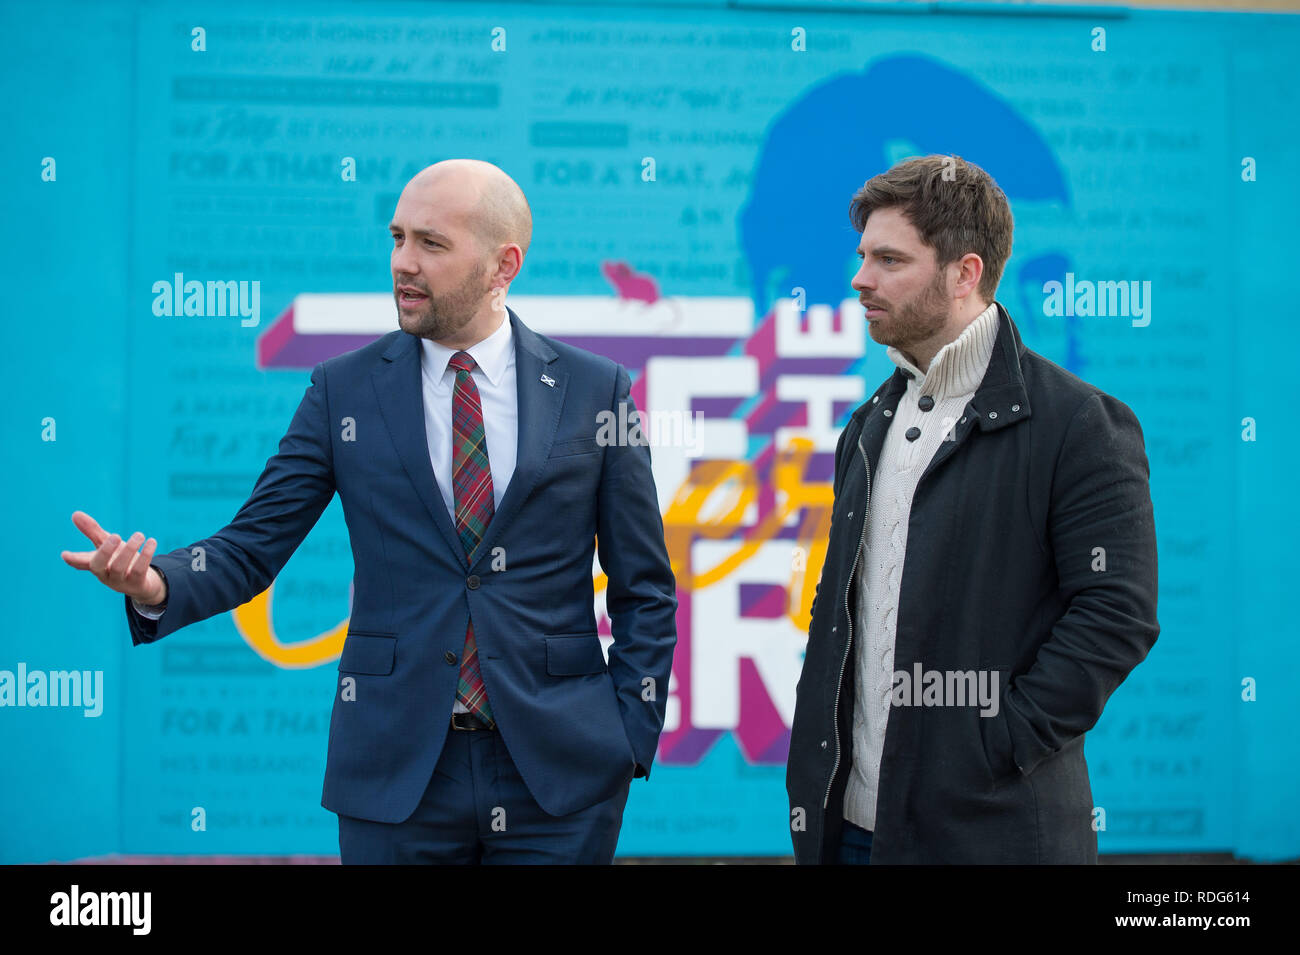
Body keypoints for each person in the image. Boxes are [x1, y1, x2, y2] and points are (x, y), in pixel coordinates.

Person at [62, 159, 678, 864]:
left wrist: (627, 736)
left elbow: (645, 588)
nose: (403, 263)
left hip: (561, 776)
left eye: (431, 244)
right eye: (397, 238)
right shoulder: (344, 391)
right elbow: (252, 545)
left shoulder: (596, 391)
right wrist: (156, 584)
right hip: (396, 775)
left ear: (503, 264)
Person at [785, 155, 1159, 864]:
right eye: (863, 255)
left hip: (993, 835)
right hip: (852, 834)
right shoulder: (868, 427)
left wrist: (995, 741)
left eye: (889, 259)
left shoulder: (1078, 424)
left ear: (965, 273)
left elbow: (1118, 614)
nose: (860, 279)